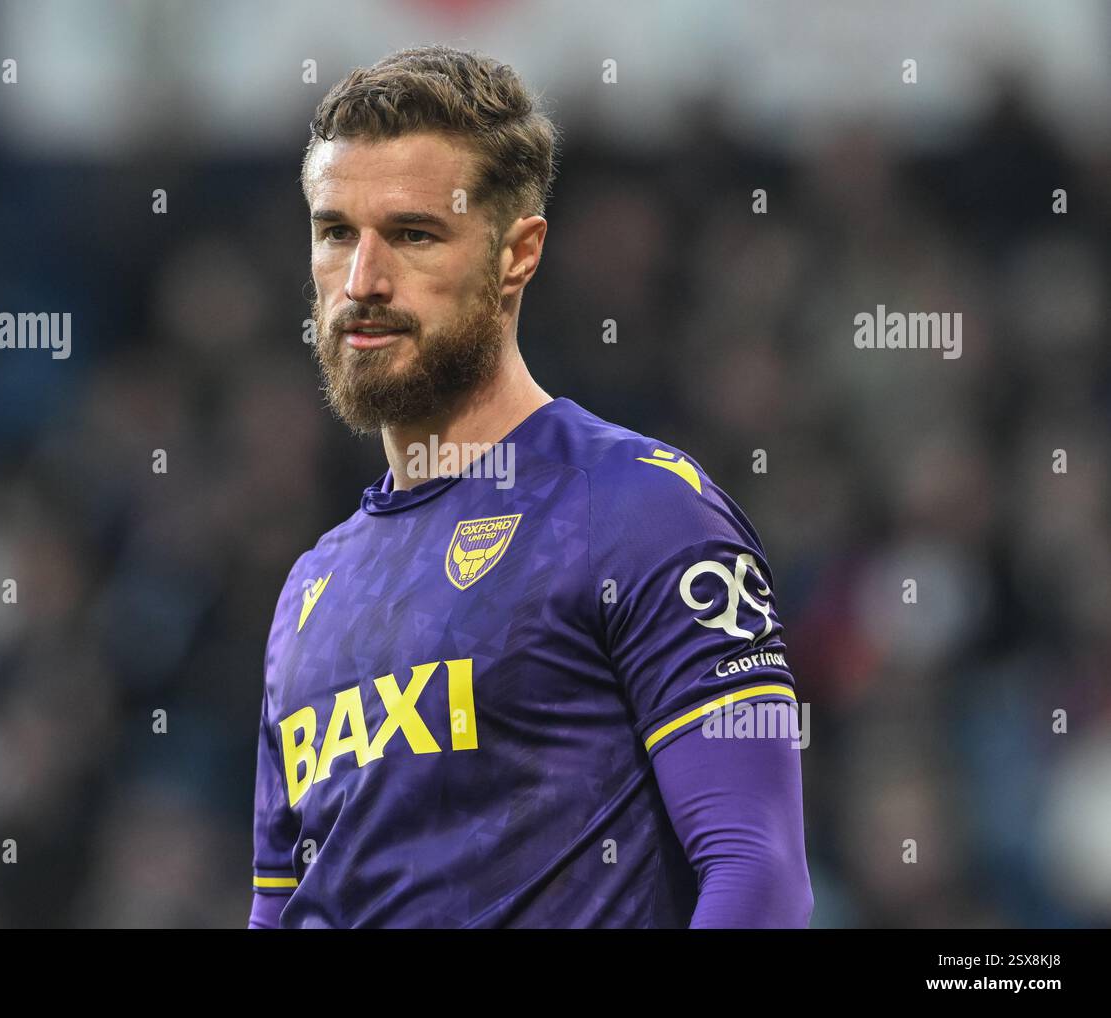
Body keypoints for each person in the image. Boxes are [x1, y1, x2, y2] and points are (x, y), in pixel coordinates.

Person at [250, 44, 812, 928]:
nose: (361, 282)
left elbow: (758, 872)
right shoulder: (309, 594)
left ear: (518, 253)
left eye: (413, 234)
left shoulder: (641, 512)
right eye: (335, 233)